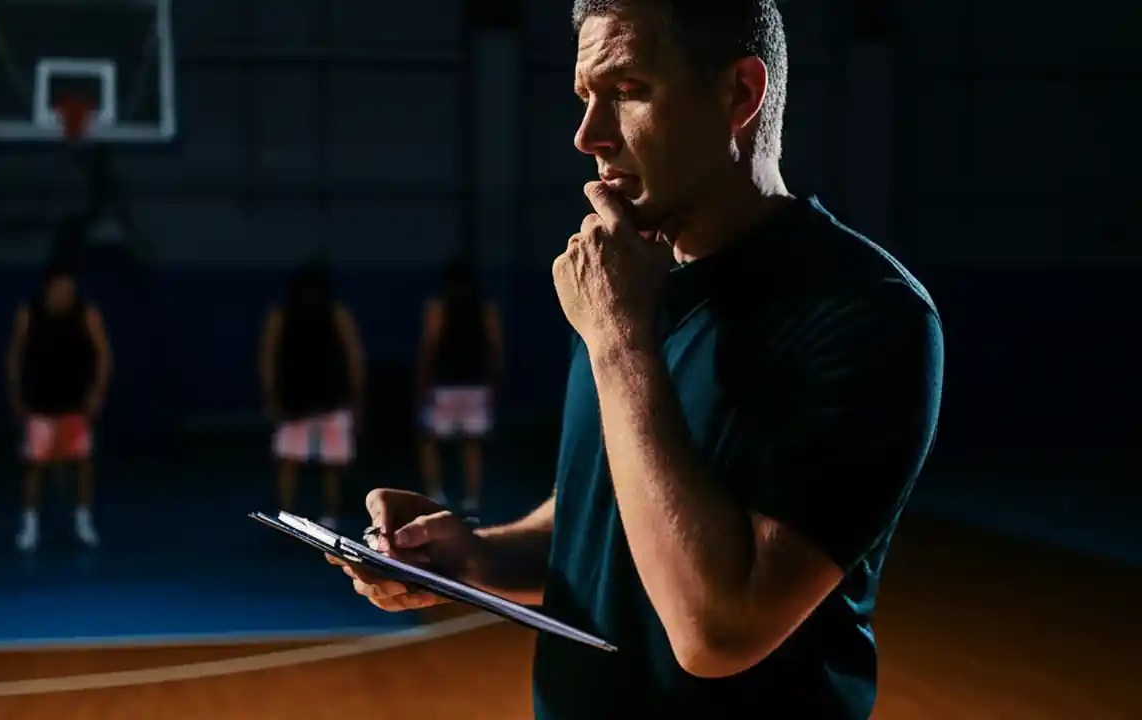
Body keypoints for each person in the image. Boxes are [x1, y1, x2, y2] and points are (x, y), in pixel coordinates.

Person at [330, 1, 944, 717]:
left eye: (627, 91)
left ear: (740, 95)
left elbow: (719, 629)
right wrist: (475, 557)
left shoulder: (866, 313)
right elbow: (609, 508)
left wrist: (620, 340)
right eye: (585, 97)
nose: (588, 136)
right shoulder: (627, 282)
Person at [7, 260, 112, 551]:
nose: (64, 293)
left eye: (69, 287)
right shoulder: (30, 312)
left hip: (76, 404)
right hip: (39, 404)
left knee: (82, 465)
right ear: (48, 287)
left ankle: (83, 520)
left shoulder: (86, 313)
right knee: (34, 467)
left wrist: (97, 393)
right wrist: (15, 392)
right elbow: (15, 354)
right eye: (59, 287)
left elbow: (103, 354)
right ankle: (30, 525)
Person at [259, 260, 365, 528]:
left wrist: (271, 396)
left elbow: (268, 360)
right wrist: (356, 398)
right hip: (323, 397)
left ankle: (290, 515)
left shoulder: (282, 314)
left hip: (302, 397)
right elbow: (354, 357)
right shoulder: (335, 313)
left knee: (291, 460)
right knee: (327, 463)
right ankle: (327, 516)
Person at [415, 257, 503, 514]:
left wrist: (421, 383)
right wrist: (493, 382)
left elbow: (429, 347)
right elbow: (496, 347)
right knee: (471, 443)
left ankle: (435, 493)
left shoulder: (437, 306)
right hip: (476, 384)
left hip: (444, 385)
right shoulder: (486, 308)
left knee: (429, 440)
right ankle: (472, 499)